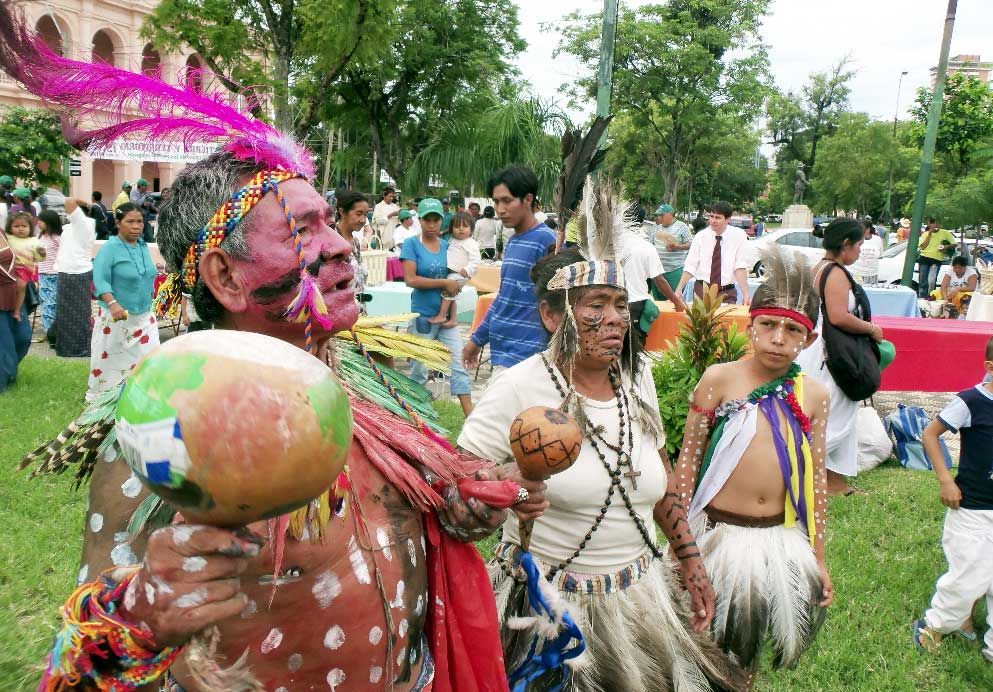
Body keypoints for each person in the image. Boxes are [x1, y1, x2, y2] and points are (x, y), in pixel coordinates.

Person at [1, 5, 542, 685]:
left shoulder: (366, 379)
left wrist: (455, 510)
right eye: (305, 230)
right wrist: (141, 613)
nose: (343, 244)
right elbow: (87, 660)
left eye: (332, 224)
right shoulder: (169, 419)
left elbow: (406, 520)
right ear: (225, 276)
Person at [459, 238, 746, 691]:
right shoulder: (517, 386)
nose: (614, 318)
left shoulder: (637, 377)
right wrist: (510, 487)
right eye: (596, 305)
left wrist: (689, 559)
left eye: (619, 303)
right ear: (552, 317)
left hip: (641, 593)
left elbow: (661, 480)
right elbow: (459, 489)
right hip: (550, 606)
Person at [674, 247, 833, 681]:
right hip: (717, 532)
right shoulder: (720, 380)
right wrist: (679, 540)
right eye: (768, 325)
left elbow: (816, 481)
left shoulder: (815, 395)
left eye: (791, 329)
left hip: (777, 539)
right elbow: (687, 464)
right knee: (699, 640)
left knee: (745, 648)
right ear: (750, 325)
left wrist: (817, 556)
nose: (778, 338)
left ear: (809, 339)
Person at [912, 336, 993, 664]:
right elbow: (930, 434)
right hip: (972, 506)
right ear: (990, 368)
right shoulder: (971, 401)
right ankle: (935, 624)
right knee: (968, 573)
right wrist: (946, 480)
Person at [796, 218, 883, 495]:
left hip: (818, 353)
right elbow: (838, 316)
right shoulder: (835, 273)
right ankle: (794, 470)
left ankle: (834, 483)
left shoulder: (819, 268)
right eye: (858, 244)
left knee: (834, 418)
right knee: (834, 419)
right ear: (845, 244)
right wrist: (872, 329)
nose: (860, 250)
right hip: (832, 356)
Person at [462, 166, 556, 378]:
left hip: (529, 357)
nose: (500, 209)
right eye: (496, 202)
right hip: (503, 351)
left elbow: (557, 305)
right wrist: (476, 340)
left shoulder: (546, 241)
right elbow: (504, 298)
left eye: (507, 200)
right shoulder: (513, 241)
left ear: (528, 199)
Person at [401, 198, 474, 416]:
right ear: (420, 220)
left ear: (442, 221)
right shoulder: (411, 244)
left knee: (458, 366)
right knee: (419, 369)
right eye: (427, 220)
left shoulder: (449, 246)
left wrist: (456, 283)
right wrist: (444, 283)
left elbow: (459, 273)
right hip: (422, 315)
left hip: (447, 318)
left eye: (436, 220)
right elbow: (410, 280)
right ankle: (417, 416)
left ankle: (470, 418)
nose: (431, 224)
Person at [86, 202, 160, 402]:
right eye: (130, 222)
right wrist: (112, 303)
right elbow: (100, 280)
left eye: (140, 221)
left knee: (149, 356)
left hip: (144, 315)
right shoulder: (110, 247)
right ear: (118, 223)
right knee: (110, 358)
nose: (136, 226)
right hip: (117, 316)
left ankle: (141, 395)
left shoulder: (143, 246)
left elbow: (146, 273)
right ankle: (103, 398)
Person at [676, 201, 750, 305]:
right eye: (711, 216)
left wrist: (746, 294)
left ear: (727, 220)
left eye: (718, 217)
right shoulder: (700, 236)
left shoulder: (739, 236)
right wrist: (679, 289)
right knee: (699, 321)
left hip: (726, 292)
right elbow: (690, 265)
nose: (713, 221)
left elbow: (740, 266)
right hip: (702, 289)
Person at [618, 227, 686, 337]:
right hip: (634, 302)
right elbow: (659, 280)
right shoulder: (646, 247)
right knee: (634, 347)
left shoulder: (611, 242)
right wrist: (676, 302)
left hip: (611, 302)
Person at [51, 197, 96, 357]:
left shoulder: (83, 224)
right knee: (65, 314)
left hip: (77, 274)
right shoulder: (71, 228)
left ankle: (79, 348)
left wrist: (84, 203)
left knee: (79, 315)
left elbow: (69, 201)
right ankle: (65, 346)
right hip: (66, 272)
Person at [429, 211, 480, 327]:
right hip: (452, 273)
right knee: (452, 296)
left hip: (459, 274)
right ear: (451, 229)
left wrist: (467, 269)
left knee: (447, 293)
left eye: (465, 226)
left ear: (471, 230)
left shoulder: (471, 243)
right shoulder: (452, 241)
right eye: (457, 227)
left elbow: (476, 260)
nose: (461, 229)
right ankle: (453, 319)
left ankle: (441, 316)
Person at [0, 219, 30, 391]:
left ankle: (8, 370)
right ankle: (4, 381)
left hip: (15, 295)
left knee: (23, 337)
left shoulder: (2, 232)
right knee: (4, 345)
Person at [4, 210, 44, 321]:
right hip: (9, 268)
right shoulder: (8, 238)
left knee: (21, 286)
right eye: (16, 226)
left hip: (24, 269)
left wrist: (41, 252)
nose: (20, 228)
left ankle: (17, 311)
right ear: (10, 227)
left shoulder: (34, 241)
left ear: (30, 228)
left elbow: (40, 258)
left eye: (24, 226)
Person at [650, 203, 692, 293]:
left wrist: (678, 246)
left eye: (661, 215)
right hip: (658, 271)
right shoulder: (656, 228)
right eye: (658, 215)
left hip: (675, 270)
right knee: (659, 300)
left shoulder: (682, 226)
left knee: (675, 298)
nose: (659, 218)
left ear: (670, 214)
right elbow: (651, 245)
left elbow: (690, 244)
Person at [35, 209, 61, 335]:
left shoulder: (57, 238)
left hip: (55, 275)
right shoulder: (39, 237)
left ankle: (53, 331)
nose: (38, 223)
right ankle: (48, 331)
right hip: (42, 274)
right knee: (45, 303)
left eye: (41, 220)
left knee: (52, 303)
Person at [917, 218, 956, 298]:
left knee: (931, 280)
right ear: (929, 225)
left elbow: (954, 244)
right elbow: (923, 247)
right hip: (924, 258)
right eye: (931, 223)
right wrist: (929, 235)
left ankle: (931, 296)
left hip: (936, 259)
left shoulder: (945, 233)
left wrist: (945, 246)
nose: (934, 225)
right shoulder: (925, 234)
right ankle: (922, 297)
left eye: (935, 223)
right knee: (922, 280)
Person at [853, 219, 883, 285]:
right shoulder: (855, 239)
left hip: (872, 274)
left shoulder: (877, 239)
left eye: (862, 228)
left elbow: (880, 255)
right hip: (857, 273)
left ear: (868, 229)